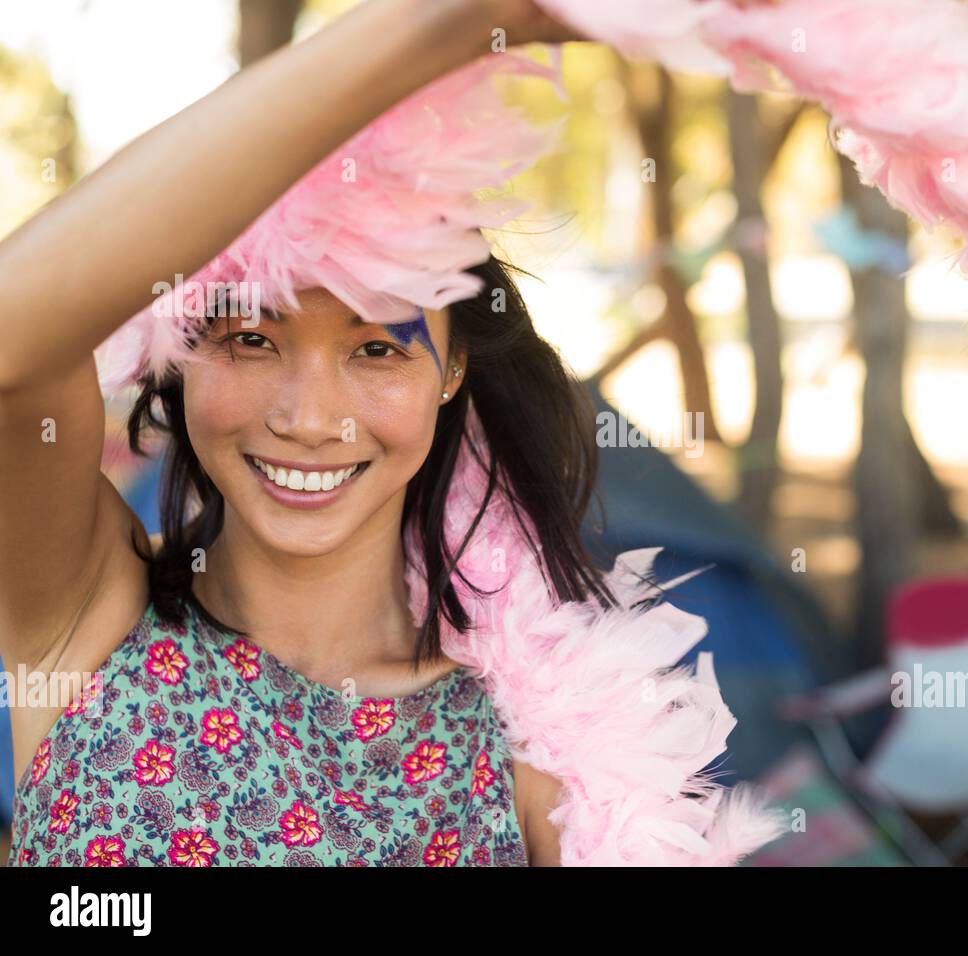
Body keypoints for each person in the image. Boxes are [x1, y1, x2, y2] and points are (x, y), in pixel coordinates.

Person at [0, 0, 782, 867]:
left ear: (451, 374)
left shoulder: (538, 777)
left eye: (377, 348)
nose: (307, 418)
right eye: (250, 339)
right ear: (180, 352)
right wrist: (452, 22)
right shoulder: (79, 617)